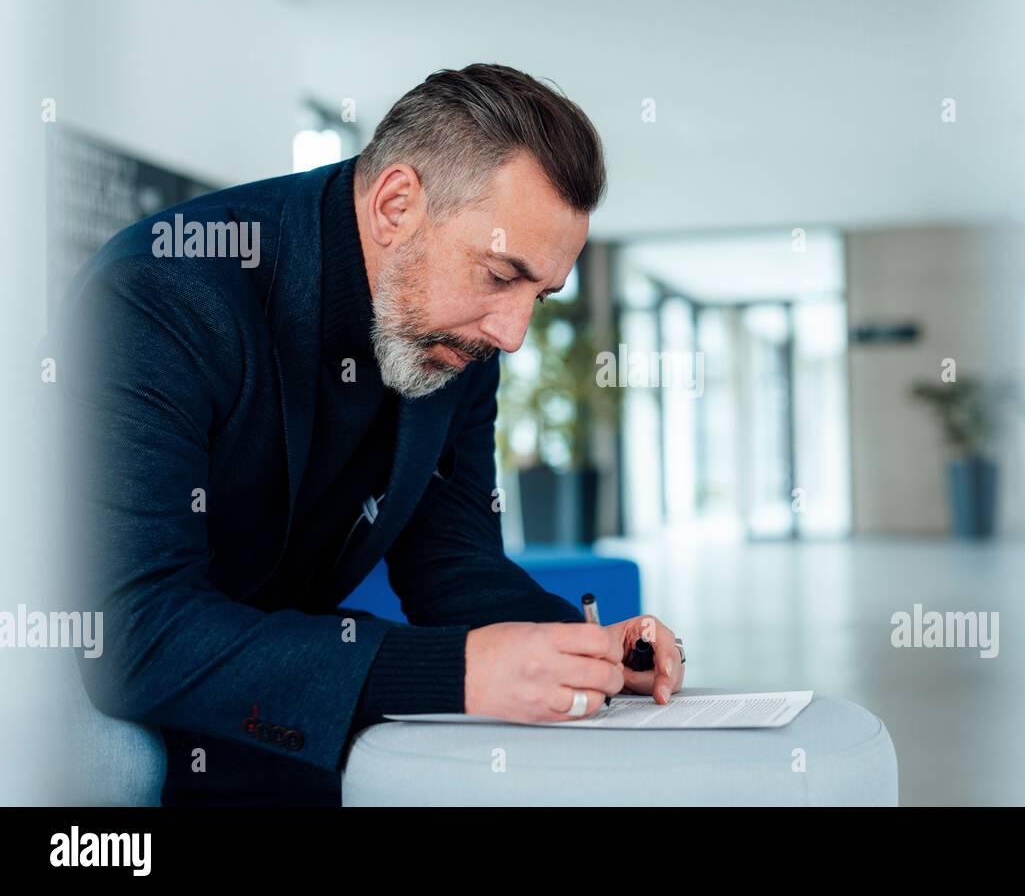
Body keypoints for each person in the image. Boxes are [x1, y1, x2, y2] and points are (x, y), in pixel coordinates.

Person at [48, 63, 684, 806]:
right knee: (109, 766)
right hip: (69, 648)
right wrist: (461, 671)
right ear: (396, 205)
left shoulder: (461, 336)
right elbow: (133, 631)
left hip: (265, 655)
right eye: (500, 274)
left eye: (538, 294)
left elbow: (453, 562)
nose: (514, 334)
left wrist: (590, 649)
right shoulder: (160, 292)